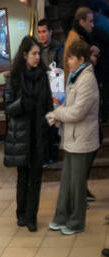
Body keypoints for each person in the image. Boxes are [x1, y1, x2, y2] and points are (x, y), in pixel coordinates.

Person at [48, 35, 100, 236]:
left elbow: (78, 112)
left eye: (70, 58)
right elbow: (67, 106)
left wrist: (58, 113)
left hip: (82, 140)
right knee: (67, 181)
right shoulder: (75, 76)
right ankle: (61, 217)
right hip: (71, 138)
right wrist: (58, 111)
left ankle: (77, 222)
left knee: (77, 185)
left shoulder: (87, 78)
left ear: (80, 59)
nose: (67, 62)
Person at [4, 36, 53, 232]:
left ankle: (32, 217)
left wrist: (49, 124)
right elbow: (8, 107)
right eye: (33, 53)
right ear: (24, 54)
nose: (37, 57)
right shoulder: (14, 78)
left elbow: (48, 103)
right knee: (22, 177)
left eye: (38, 53)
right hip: (21, 135)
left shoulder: (42, 76)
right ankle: (21, 213)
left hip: (38, 133)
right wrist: (23, 103)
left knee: (36, 178)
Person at [36, 20, 64, 165]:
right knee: (44, 124)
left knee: (54, 122)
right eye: (39, 32)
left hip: (55, 88)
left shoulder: (58, 47)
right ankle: (46, 156)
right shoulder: (36, 49)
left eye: (44, 31)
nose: (41, 35)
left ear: (50, 32)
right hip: (41, 90)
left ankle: (53, 154)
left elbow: (60, 68)